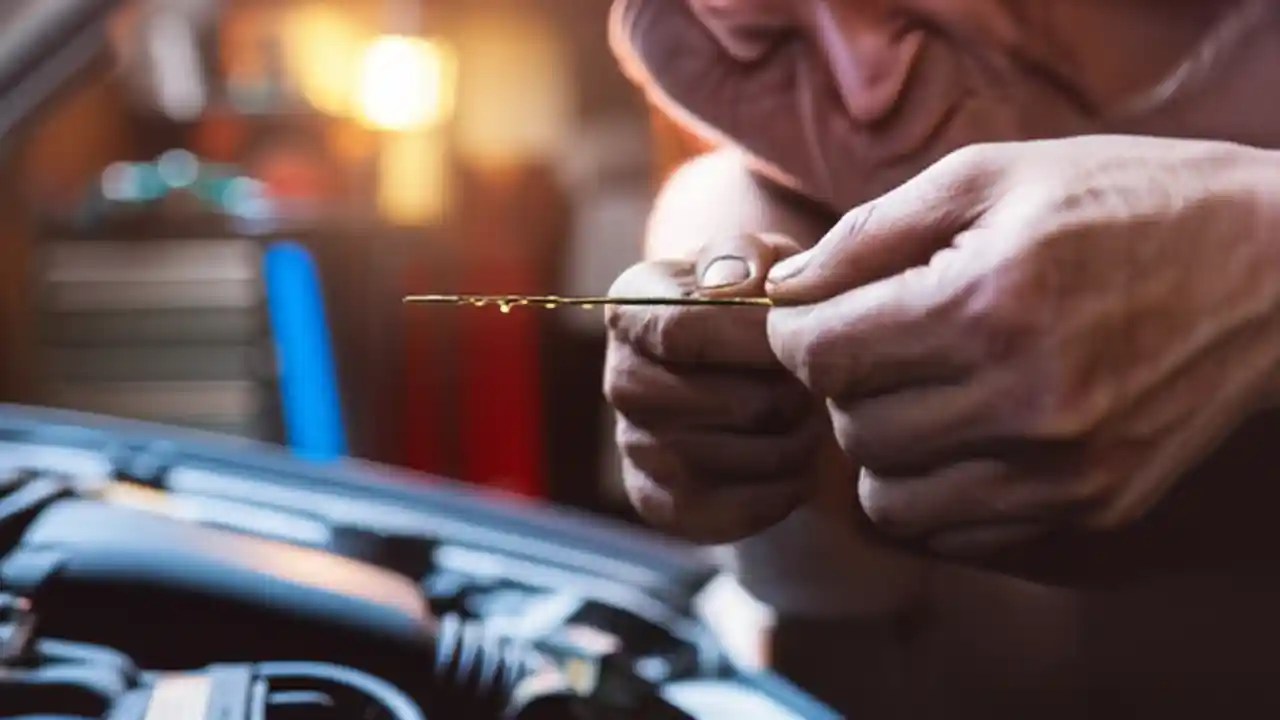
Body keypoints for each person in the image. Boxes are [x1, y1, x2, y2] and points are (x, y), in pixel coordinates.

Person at [602, 0, 1280, 716]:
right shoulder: (682, 39)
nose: (867, 87)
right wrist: (723, 234)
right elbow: (750, 176)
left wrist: (1260, 256)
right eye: (756, 32)